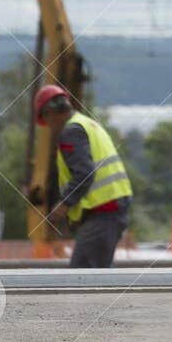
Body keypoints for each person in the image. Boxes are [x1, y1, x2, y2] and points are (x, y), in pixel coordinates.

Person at [34, 85, 133, 268]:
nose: (48, 126)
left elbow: (85, 172)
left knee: (81, 278)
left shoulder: (71, 132)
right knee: (97, 277)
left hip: (104, 212)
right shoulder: (87, 124)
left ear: (49, 113)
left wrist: (65, 203)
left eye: (45, 119)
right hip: (113, 208)